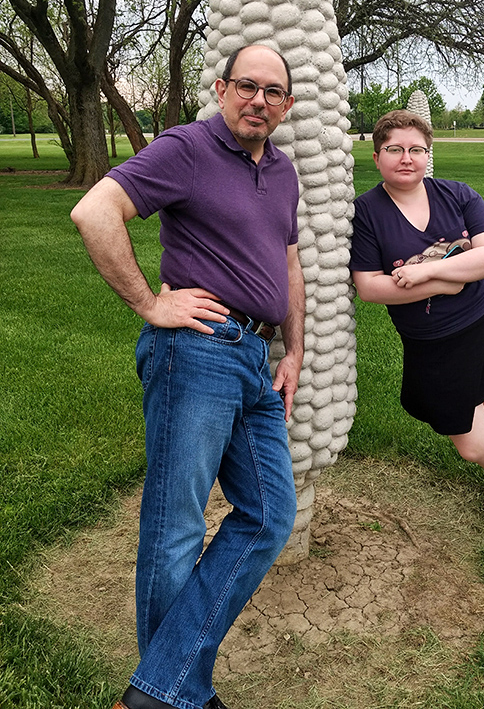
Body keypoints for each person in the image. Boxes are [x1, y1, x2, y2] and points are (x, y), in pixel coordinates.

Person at [71, 44, 305, 709]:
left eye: (273, 92)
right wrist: (150, 302)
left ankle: (160, 690)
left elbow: (287, 266)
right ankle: (170, 695)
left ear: (286, 105)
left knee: (268, 514)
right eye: (247, 85)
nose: (259, 99)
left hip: (257, 362)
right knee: (177, 528)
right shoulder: (186, 148)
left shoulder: (283, 172)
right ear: (222, 87)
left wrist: (293, 350)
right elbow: (94, 211)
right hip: (197, 350)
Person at [349, 110, 484, 540]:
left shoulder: (458, 194)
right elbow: (371, 288)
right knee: (471, 445)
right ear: (376, 157)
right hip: (435, 342)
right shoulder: (366, 213)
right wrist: (454, 282)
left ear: (429, 154)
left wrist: (430, 276)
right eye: (394, 149)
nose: (406, 158)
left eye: (416, 150)